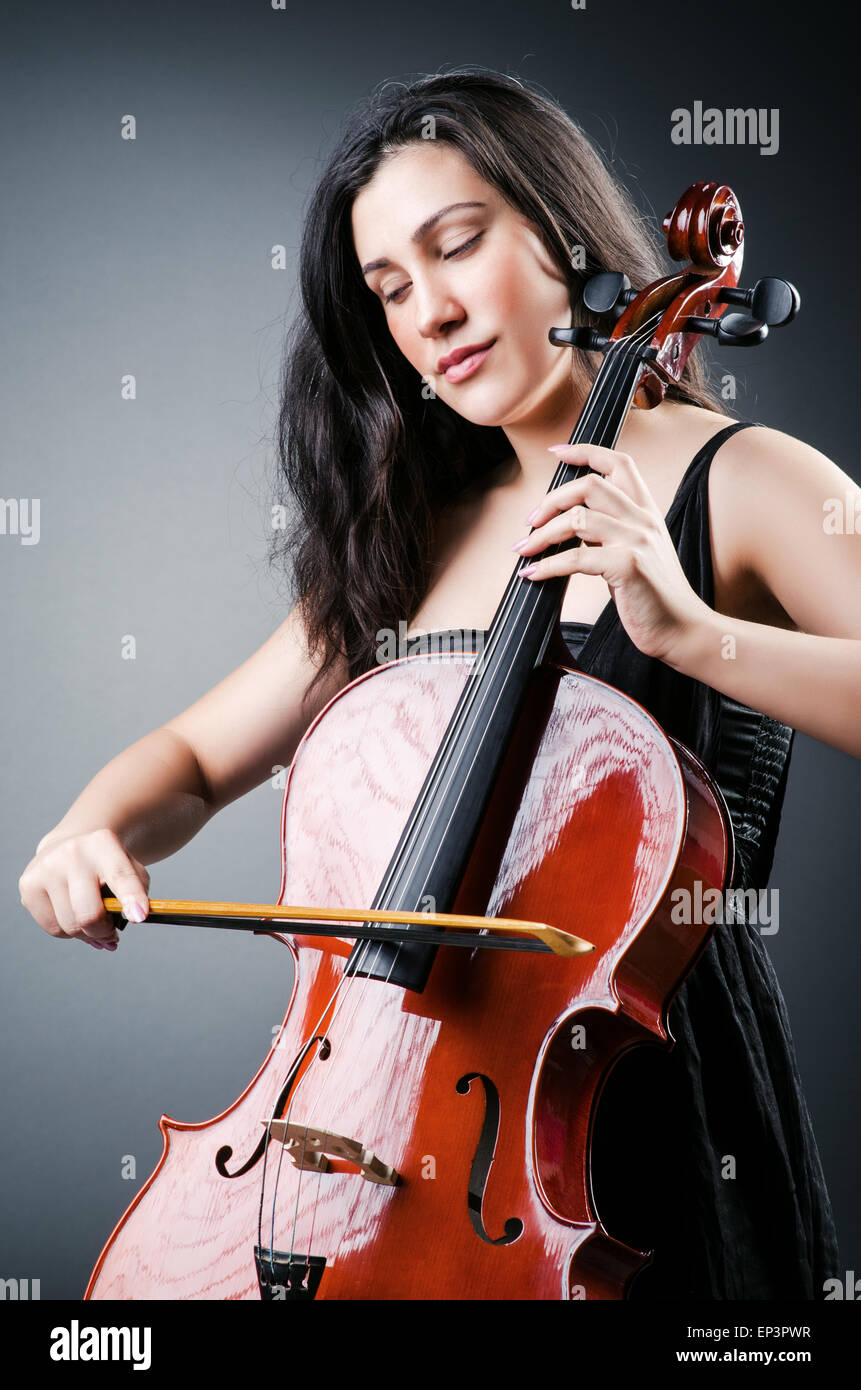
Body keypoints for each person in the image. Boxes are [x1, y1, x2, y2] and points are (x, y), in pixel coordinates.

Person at [19, 68, 857, 1299]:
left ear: (563, 235)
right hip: (395, 1127)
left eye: (455, 246)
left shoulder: (743, 479)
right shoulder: (410, 533)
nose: (430, 312)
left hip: (655, 1110)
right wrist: (86, 830)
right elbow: (196, 763)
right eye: (390, 289)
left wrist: (689, 633)